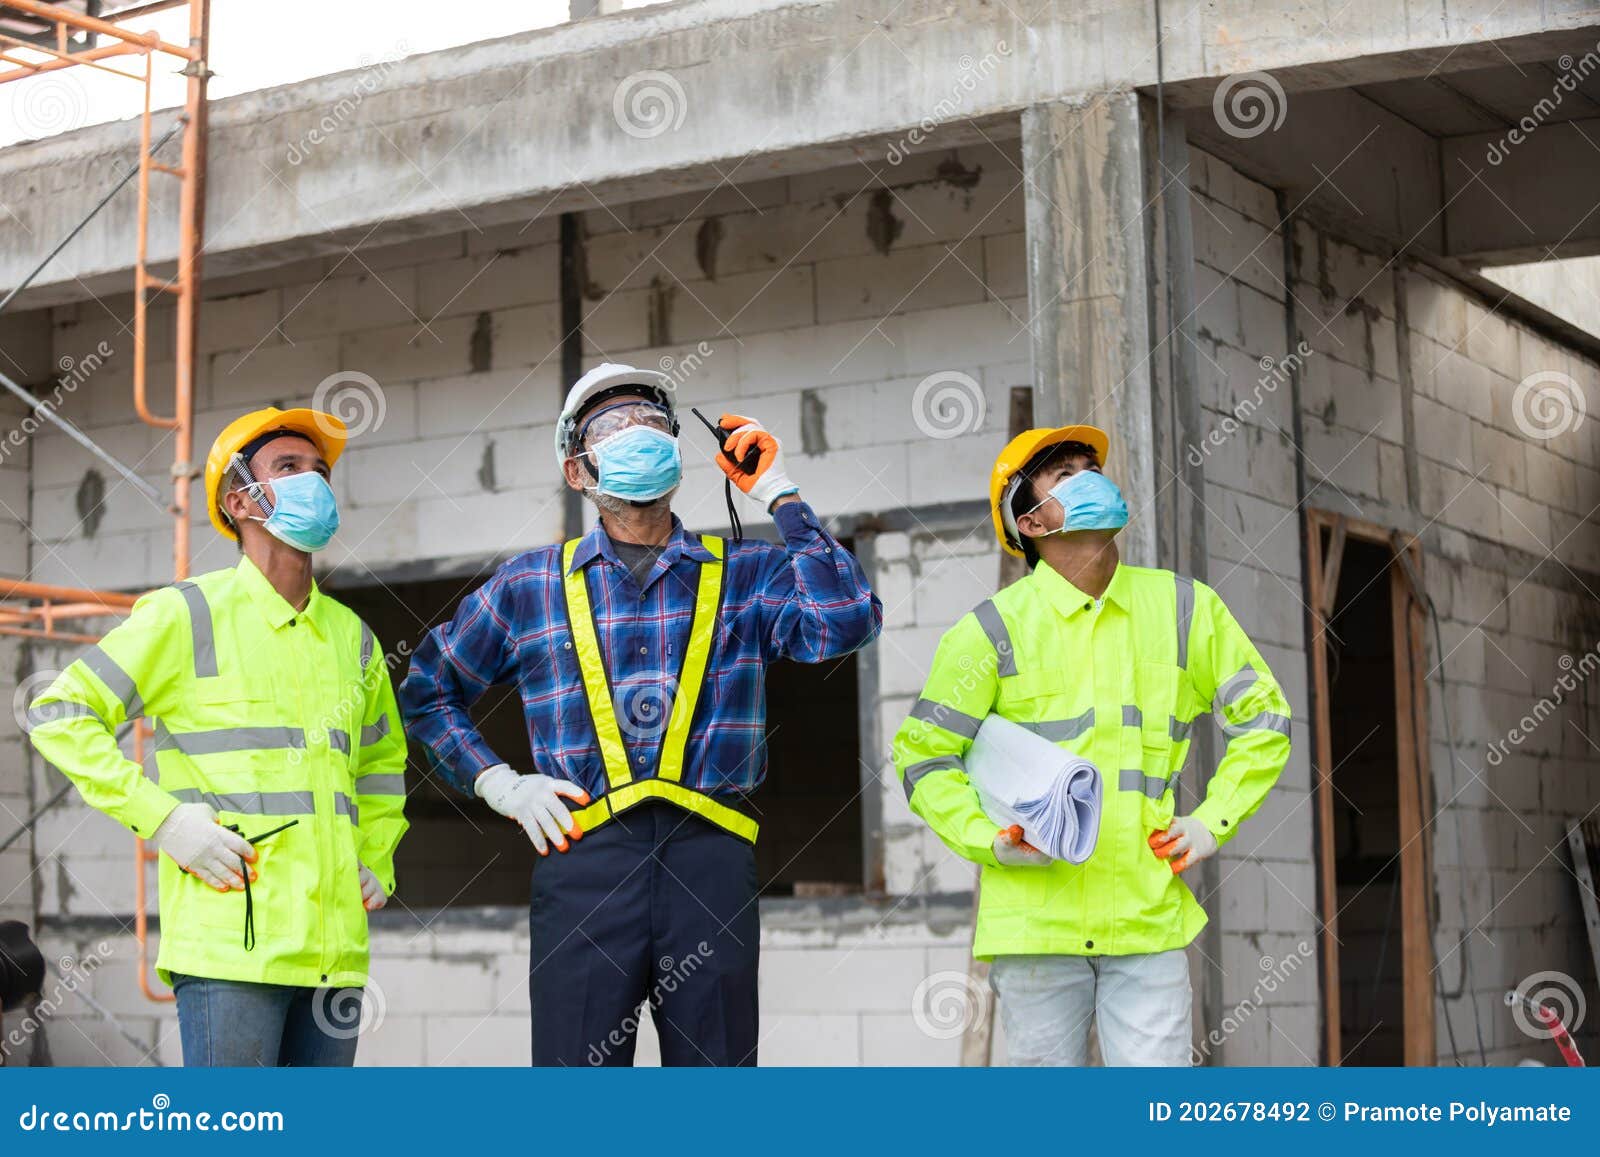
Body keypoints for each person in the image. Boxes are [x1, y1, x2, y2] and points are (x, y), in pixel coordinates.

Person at [401, 363, 881, 1066]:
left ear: (679, 452)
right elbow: (425, 689)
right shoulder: (530, 584)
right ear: (576, 468)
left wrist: (779, 494)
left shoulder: (747, 572)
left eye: (651, 422)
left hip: (711, 859)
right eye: (612, 427)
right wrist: (498, 782)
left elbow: (849, 620)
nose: (637, 435)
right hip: (584, 859)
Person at [892, 424, 1291, 1066]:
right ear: (1028, 520)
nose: (1089, 481)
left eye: (1090, 467)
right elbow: (922, 754)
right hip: (1036, 927)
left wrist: (1214, 821)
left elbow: (1264, 717)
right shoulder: (990, 631)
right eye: (1064, 475)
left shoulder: (1185, 609)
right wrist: (983, 838)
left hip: (1147, 919)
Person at [27, 407, 408, 1067]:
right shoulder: (186, 613)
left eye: (319, 470)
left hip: (334, 955)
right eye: (288, 467)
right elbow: (59, 713)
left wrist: (378, 854)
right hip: (230, 951)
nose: (313, 482)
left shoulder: (353, 638)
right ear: (240, 499)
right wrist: (165, 819)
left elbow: (380, 763)